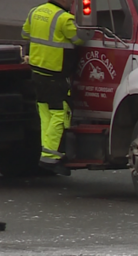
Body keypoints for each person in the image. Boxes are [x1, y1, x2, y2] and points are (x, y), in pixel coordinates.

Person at [22, 0, 88, 176]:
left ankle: (47, 154)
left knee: (45, 113)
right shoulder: (64, 19)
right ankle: (51, 156)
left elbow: (25, 33)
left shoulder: (35, 12)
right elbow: (81, 38)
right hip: (55, 74)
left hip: (37, 72)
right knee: (60, 113)